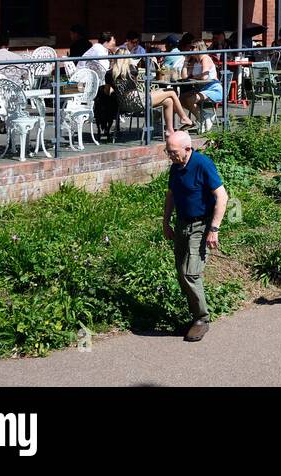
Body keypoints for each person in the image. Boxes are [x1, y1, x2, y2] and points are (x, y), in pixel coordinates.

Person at [162, 130, 228, 342]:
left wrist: (214, 229)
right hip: (182, 223)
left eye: (173, 152)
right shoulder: (176, 167)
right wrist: (166, 222)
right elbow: (171, 195)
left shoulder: (202, 164)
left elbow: (222, 196)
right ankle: (194, 315)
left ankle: (202, 319)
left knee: (190, 273)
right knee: (181, 273)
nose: (170, 156)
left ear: (188, 149)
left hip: (201, 225)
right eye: (168, 152)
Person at [112, 55, 194, 134]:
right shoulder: (131, 70)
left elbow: (108, 89)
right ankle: (183, 118)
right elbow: (137, 79)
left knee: (168, 101)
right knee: (171, 91)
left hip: (125, 104)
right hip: (139, 101)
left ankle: (170, 130)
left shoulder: (110, 73)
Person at [84, 32, 119, 141]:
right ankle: (107, 125)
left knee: (106, 96)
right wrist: (114, 60)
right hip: (87, 82)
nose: (114, 43)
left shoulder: (99, 49)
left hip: (92, 81)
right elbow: (106, 71)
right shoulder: (99, 50)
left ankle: (103, 125)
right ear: (107, 41)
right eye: (113, 41)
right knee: (111, 97)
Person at [180, 41, 223, 127]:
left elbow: (204, 77)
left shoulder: (205, 58)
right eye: (190, 47)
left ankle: (202, 118)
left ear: (199, 48)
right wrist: (185, 61)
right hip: (201, 89)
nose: (190, 49)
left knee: (190, 99)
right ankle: (204, 116)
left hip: (213, 89)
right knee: (180, 99)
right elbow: (184, 76)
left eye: (192, 47)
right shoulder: (194, 61)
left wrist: (194, 77)